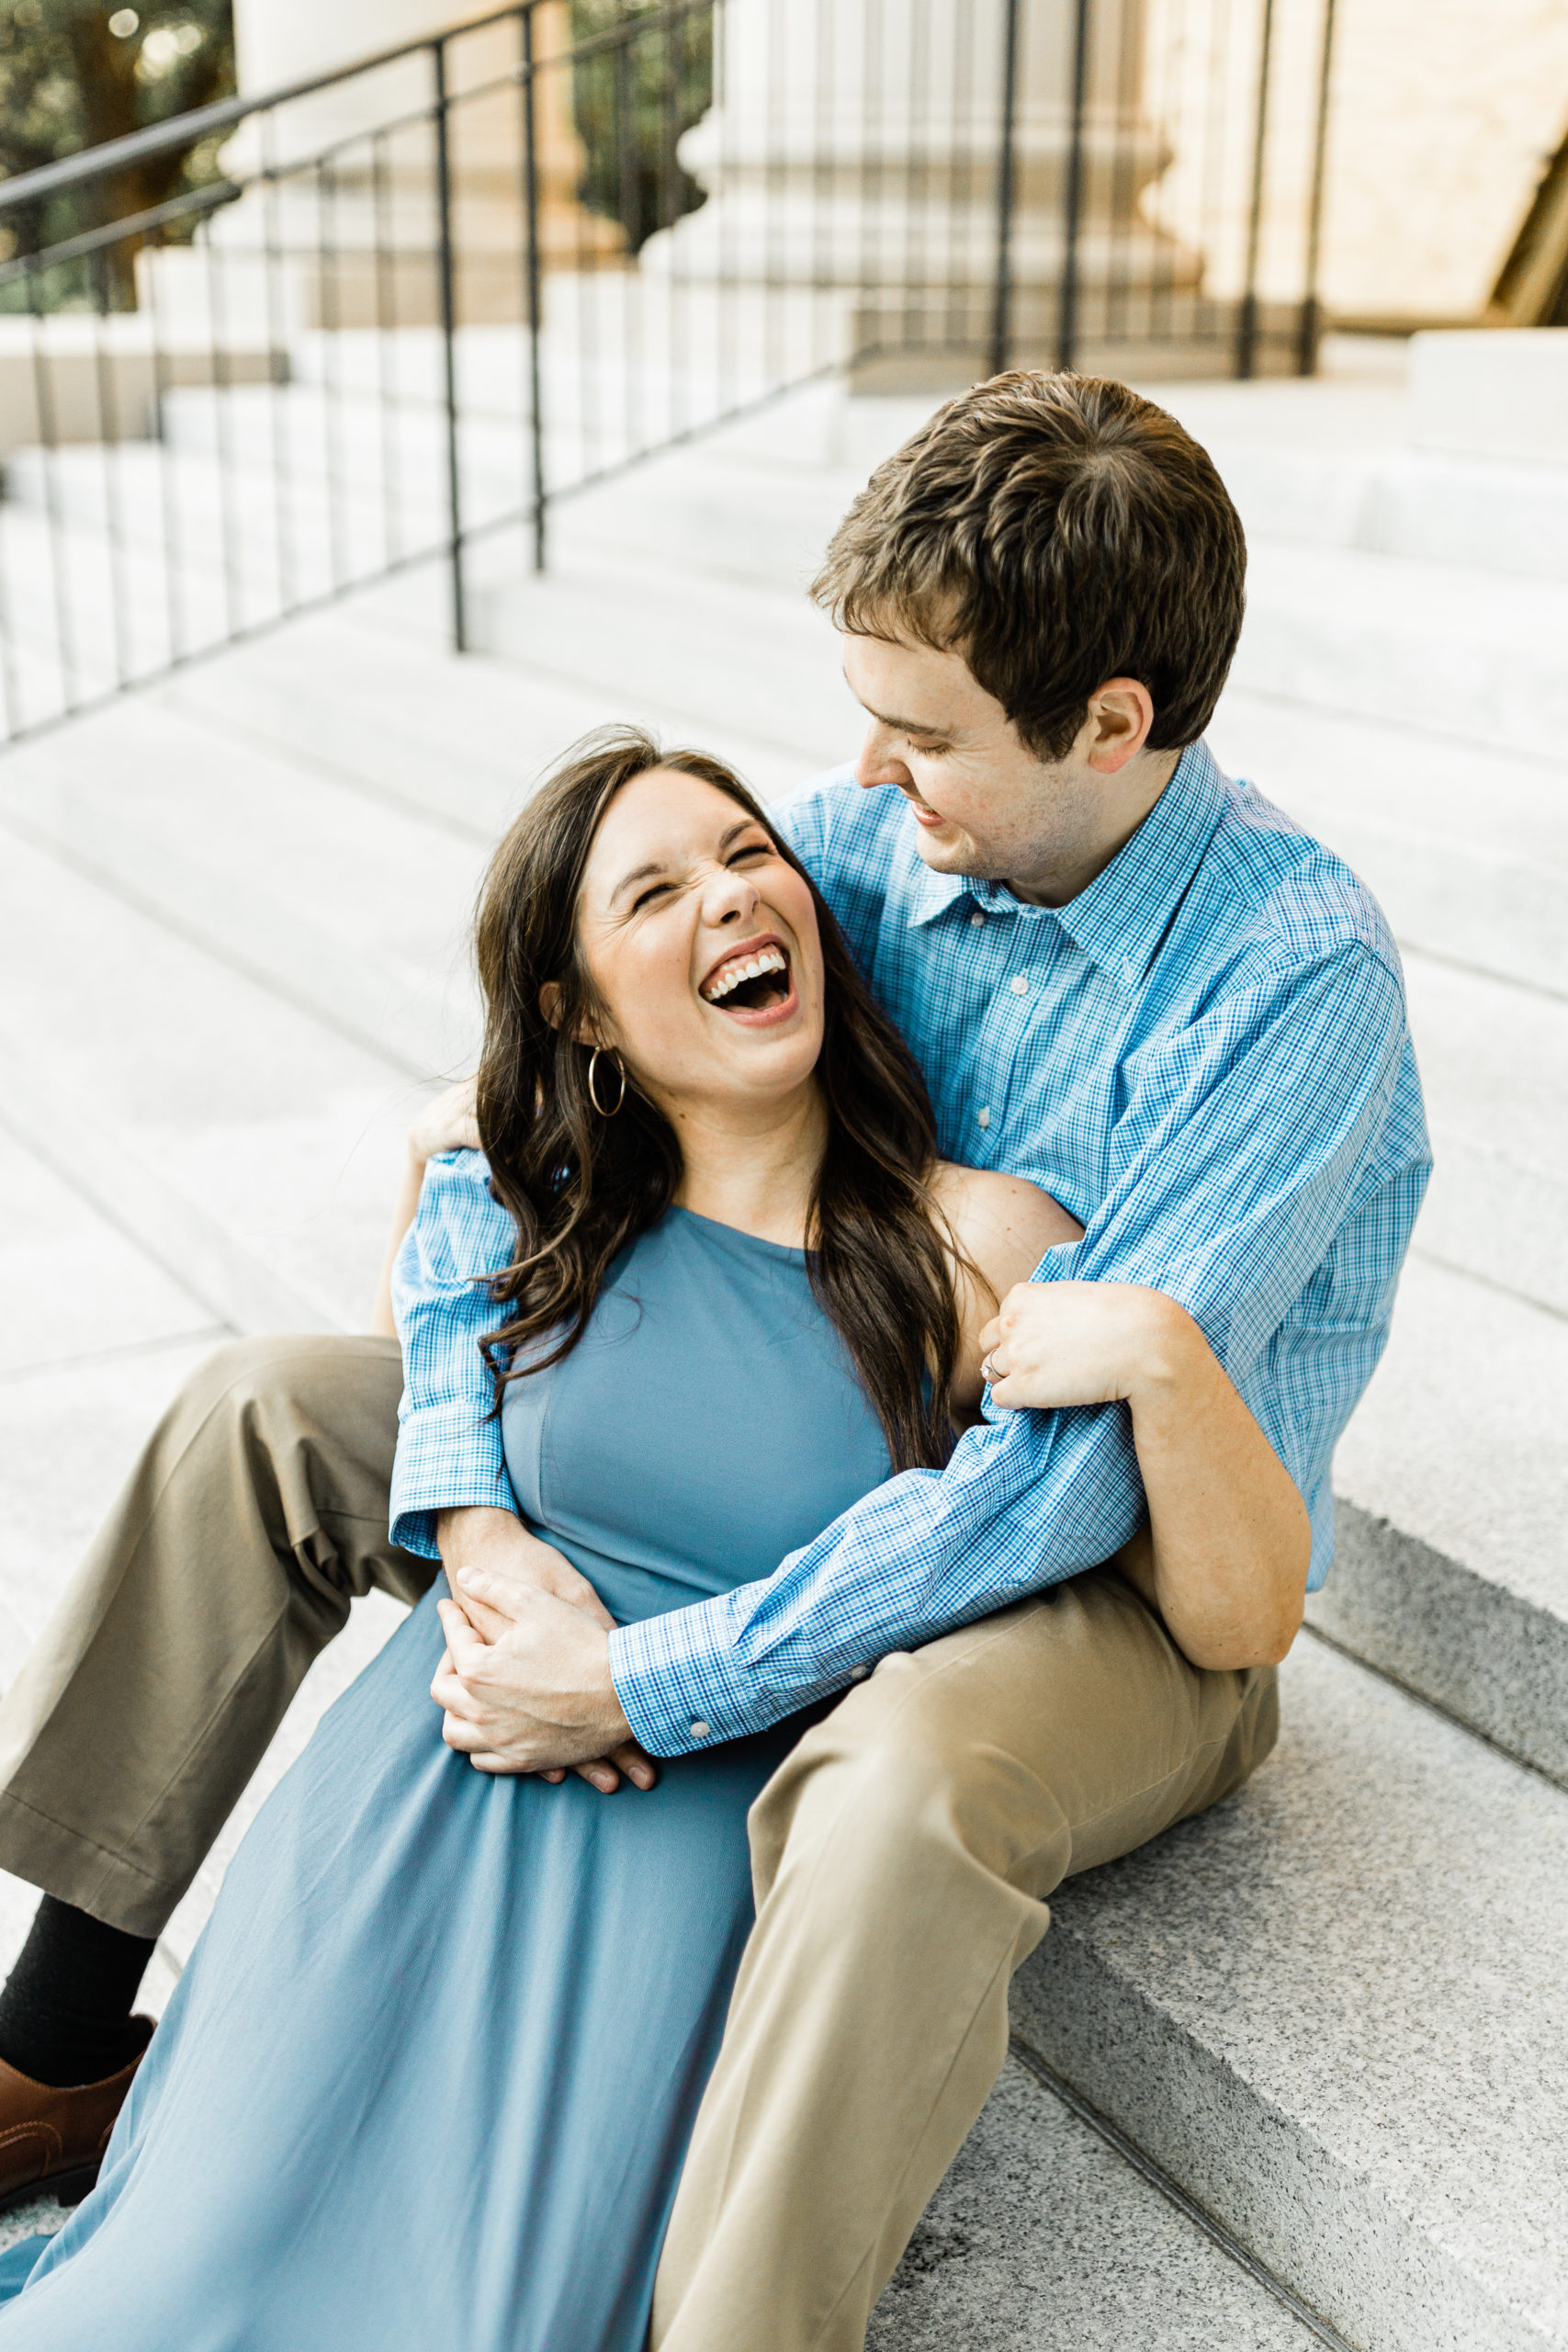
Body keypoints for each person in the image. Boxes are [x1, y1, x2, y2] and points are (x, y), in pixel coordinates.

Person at [0, 371, 1428, 2350]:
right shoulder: (857, 838)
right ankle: (55, 2036)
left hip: (1130, 1575)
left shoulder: (1285, 981)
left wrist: (646, 1669)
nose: (858, 773)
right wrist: (478, 1505)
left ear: (1110, 727)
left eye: (917, 734)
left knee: (901, 1761)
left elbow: (1059, 1488)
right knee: (259, 1408)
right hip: (808, 1423)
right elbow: (490, 1126)